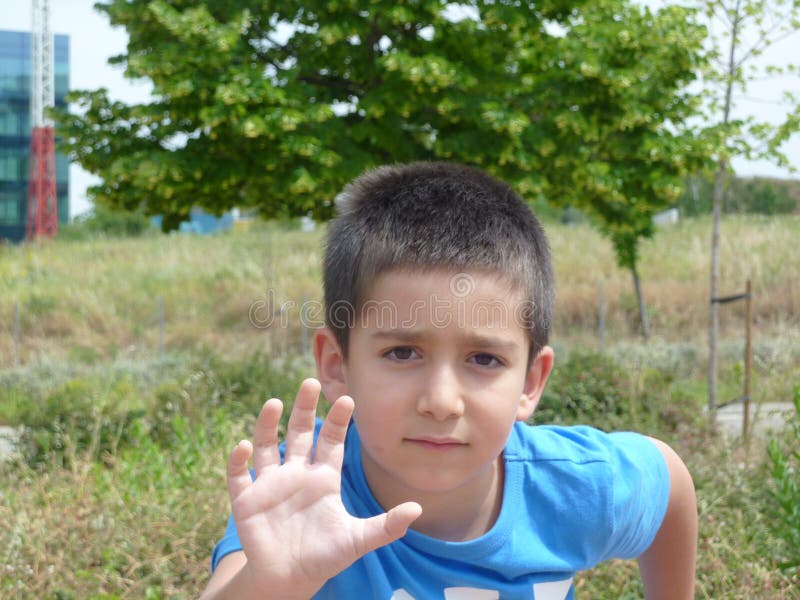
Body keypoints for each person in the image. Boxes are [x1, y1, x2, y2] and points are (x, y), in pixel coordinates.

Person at [200, 162, 697, 600]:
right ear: (336, 365)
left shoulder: (574, 485)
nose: (441, 402)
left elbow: (670, 484)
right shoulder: (303, 494)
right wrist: (271, 586)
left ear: (531, 381)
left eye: (483, 359)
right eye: (402, 353)